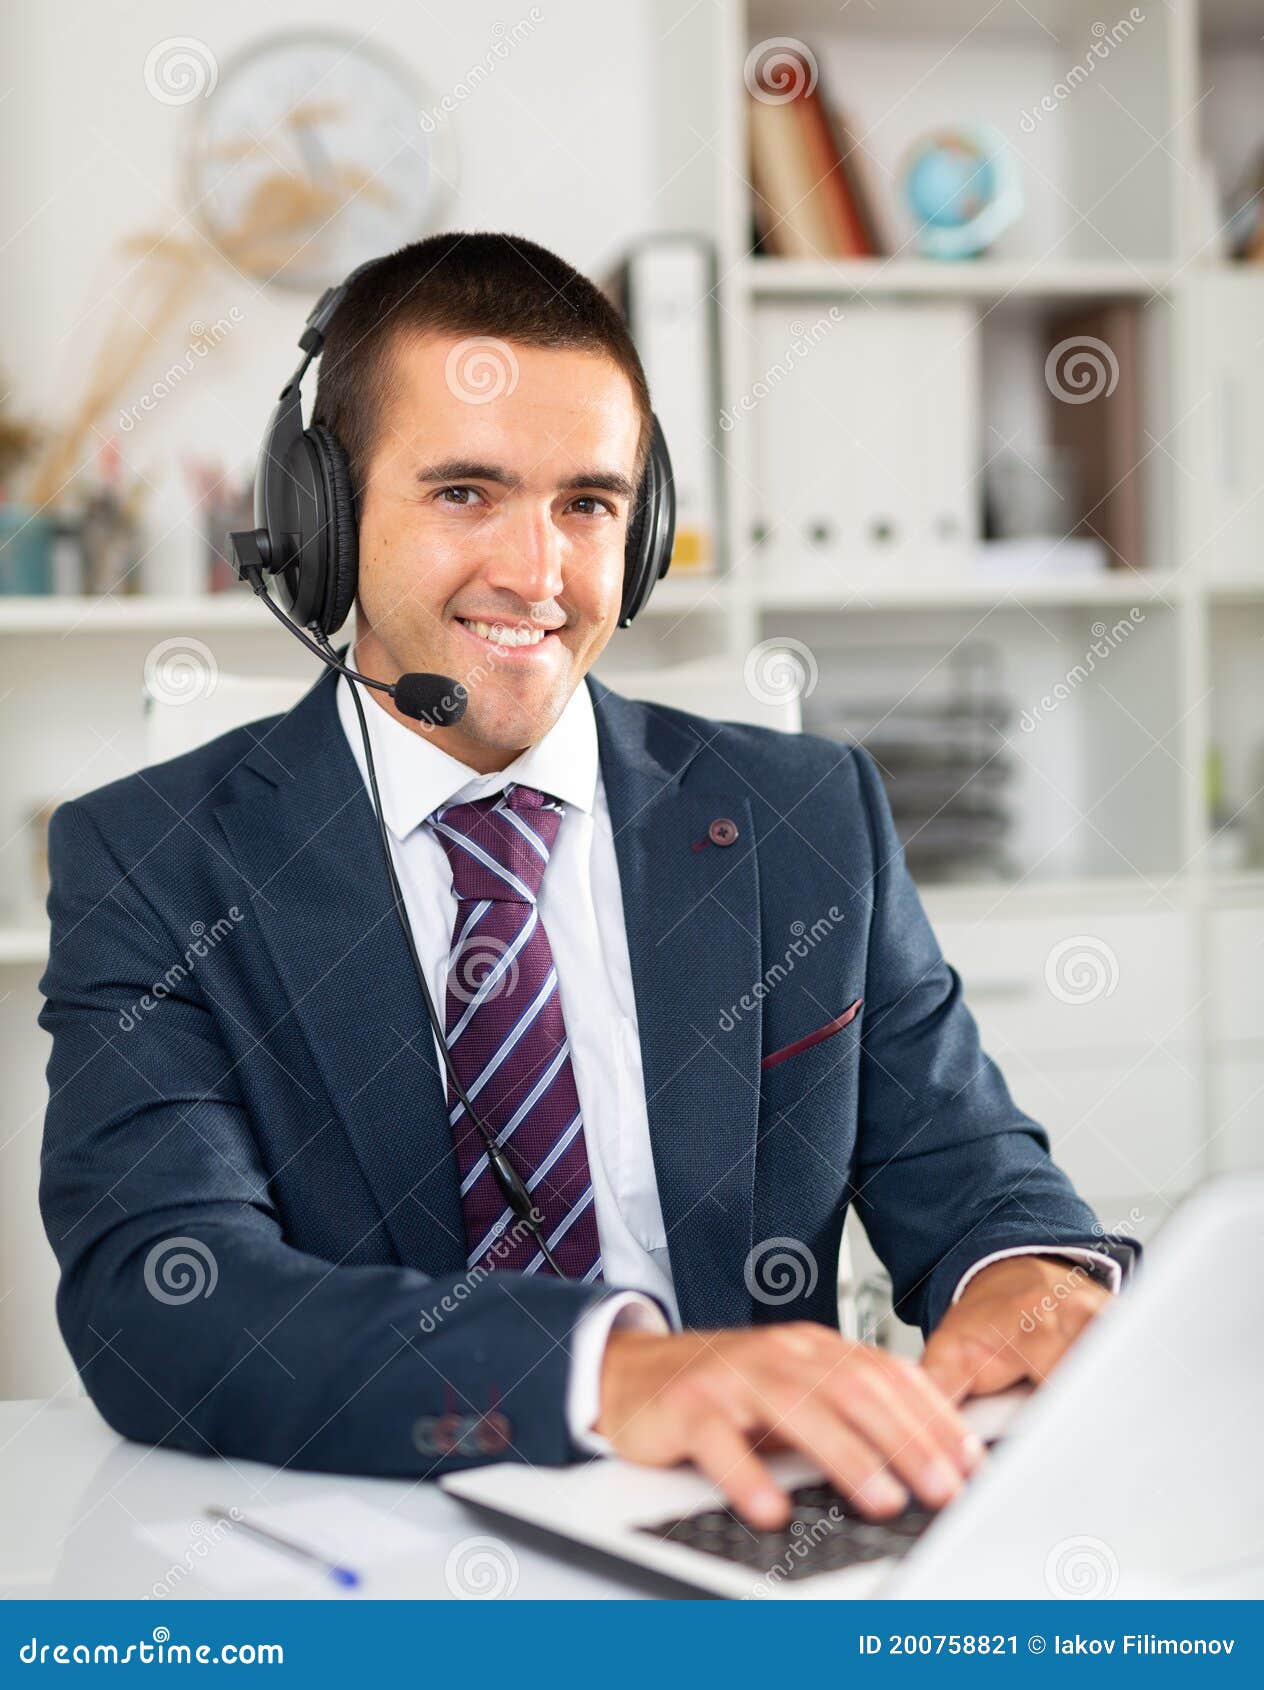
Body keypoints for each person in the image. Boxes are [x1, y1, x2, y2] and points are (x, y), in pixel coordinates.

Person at [38, 233, 1135, 1531]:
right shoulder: (154, 855)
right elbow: (161, 1290)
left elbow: (972, 1166)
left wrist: (1032, 1271)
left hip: (755, 1529)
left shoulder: (803, 817)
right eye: (464, 493)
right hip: (372, 1531)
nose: (538, 573)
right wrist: (604, 1372)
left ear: (646, 524)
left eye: (588, 502)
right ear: (325, 522)